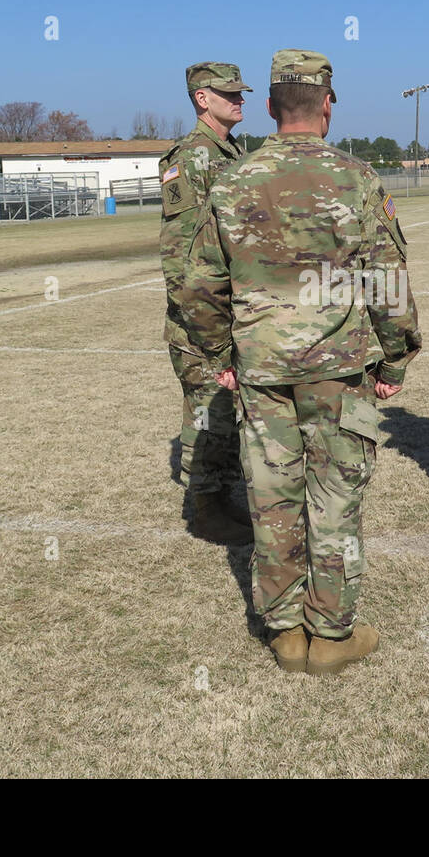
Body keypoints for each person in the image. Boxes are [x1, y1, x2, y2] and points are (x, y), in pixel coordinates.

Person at [179, 49, 422, 673]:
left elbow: (199, 284)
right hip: (338, 372)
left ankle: (285, 630)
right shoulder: (357, 178)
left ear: (268, 106)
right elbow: (388, 282)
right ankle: (331, 633)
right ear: (328, 105)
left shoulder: (232, 180)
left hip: (262, 371)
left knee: (272, 495)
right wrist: (394, 360)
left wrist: (217, 355)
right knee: (336, 495)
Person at [159, 62, 255, 546]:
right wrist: (200, 315)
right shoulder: (193, 156)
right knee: (207, 410)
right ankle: (205, 507)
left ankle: (225, 497)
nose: (240, 100)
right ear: (202, 98)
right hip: (203, 313)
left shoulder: (231, 150)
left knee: (228, 409)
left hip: (230, 306)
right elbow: (180, 248)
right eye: (229, 94)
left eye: (241, 93)